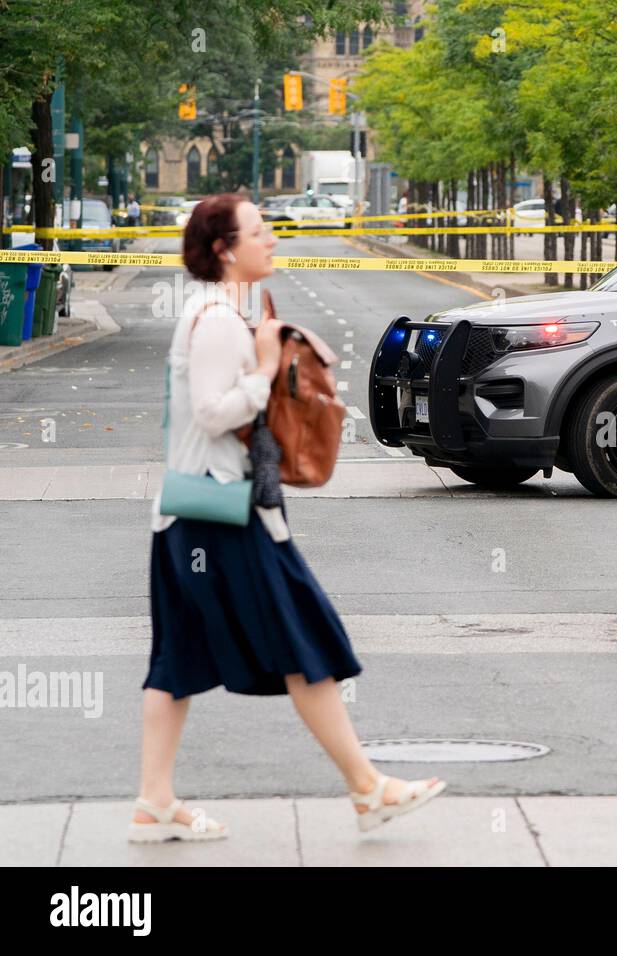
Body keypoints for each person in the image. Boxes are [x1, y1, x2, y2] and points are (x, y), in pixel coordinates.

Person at [130, 193, 445, 844]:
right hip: (224, 513)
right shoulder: (216, 318)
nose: (270, 239)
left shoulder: (218, 311)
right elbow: (216, 413)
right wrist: (268, 369)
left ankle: (153, 803)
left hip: (189, 516)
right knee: (305, 643)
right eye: (258, 231)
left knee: (178, 661)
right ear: (224, 248)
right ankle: (367, 789)